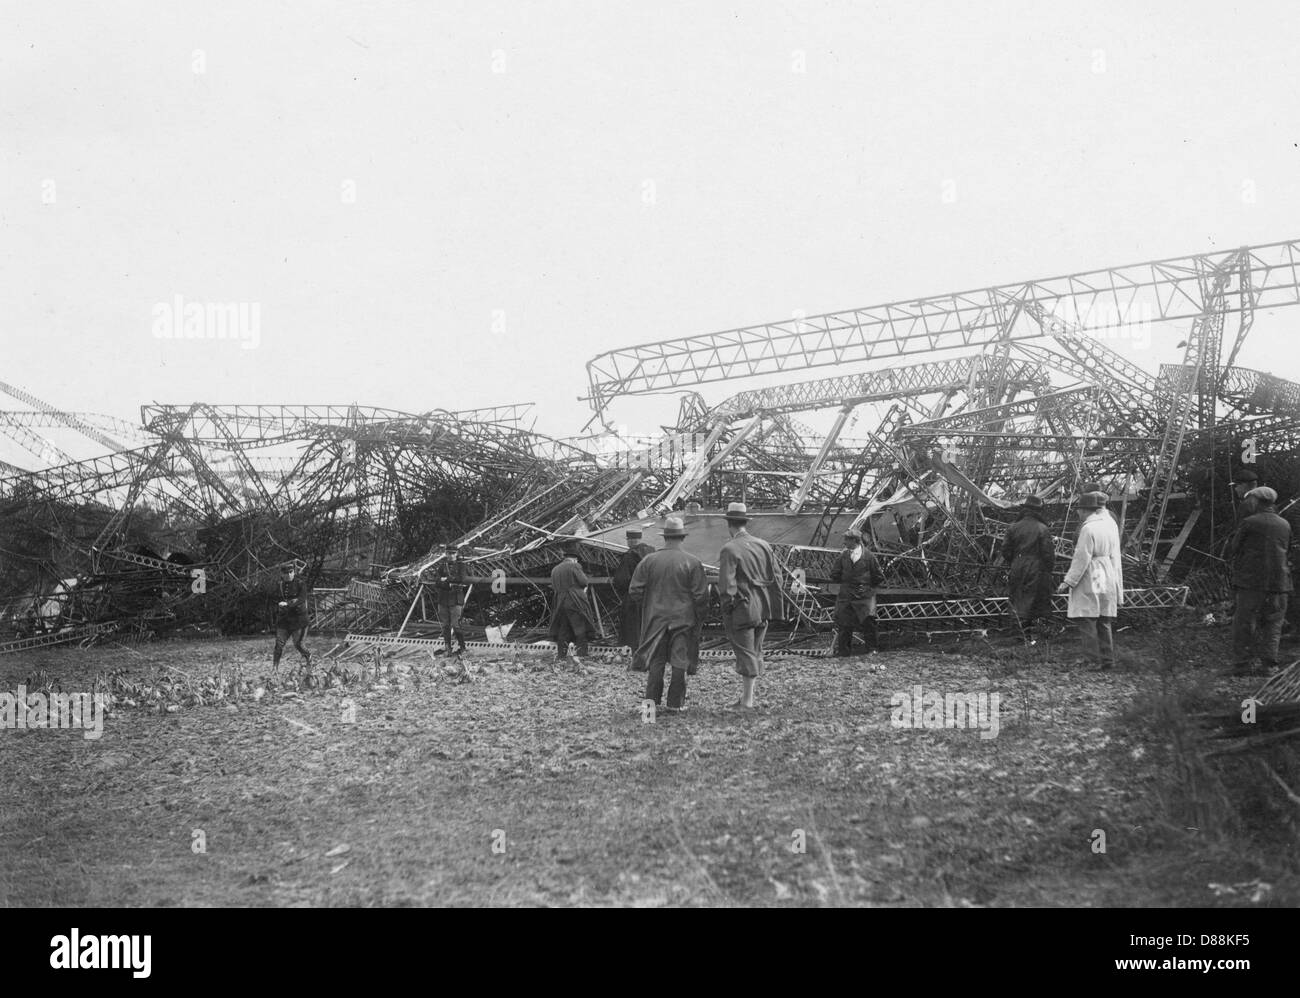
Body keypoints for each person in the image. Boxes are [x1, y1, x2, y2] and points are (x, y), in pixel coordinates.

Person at [627, 516, 708, 714]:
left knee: (656, 664)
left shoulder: (649, 561)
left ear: (664, 537)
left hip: (655, 620)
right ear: (682, 537)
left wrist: (649, 606)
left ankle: (650, 708)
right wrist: (698, 616)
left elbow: (635, 590)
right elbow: (701, 596)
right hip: (683, 620)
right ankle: (675, 705)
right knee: (680, 661)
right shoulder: (693, 562)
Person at [718, 502, 782, 709]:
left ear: (729, 525)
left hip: (743, 608)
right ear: (745, 522)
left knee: (746, 653)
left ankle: (747, 701)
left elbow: (727, 585)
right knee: (755, 651)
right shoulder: (764, 545)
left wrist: (727, 607)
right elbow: (778, 577)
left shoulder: (729, 548)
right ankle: (748, 697)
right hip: (763, 607)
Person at [1225, 486, 1293, 676]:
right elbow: (1288, 551)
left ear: (1256, 501)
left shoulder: (1249, 522)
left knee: (1244, 622)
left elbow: (1233, 549)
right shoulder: (1284, 524)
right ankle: (1269, 665)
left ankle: (1242, 664)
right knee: (1274, 623)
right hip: (1280, 583)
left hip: (1252, 583)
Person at [1058, 491, 1123, 671]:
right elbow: (1115, 554)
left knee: (1086, 617)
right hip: (1106, 571)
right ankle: (1107, 660)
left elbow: (1082, 557)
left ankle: (1092, 660)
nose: (1078, 513)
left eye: (1079, 510)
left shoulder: (1088, 528)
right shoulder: (1110, 525)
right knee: (1103, 616)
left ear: (1087, 510)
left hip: (1091, 571)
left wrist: (1068, 581)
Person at [1002, 495, 1055, 637]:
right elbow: (1048, 553)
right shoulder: (1042, 528)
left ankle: (1017, 631)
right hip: (1036, 566)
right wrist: (1048, 569)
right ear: (1038, 511)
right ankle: (1031, 632)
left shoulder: (1013, 527)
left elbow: (1005, 550)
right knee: (1034, 598)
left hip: (1017, 565)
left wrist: (1013, 562)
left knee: (1016, 597)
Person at [829, 528, 885, 656]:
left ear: (855, 540)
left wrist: (866, 586)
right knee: (844, 623)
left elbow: (878, 576)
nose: (844, 542)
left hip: (865, 595)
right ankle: (844, 652)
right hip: (846, 594)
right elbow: (834, 574)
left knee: (869, 622)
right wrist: (846, 583)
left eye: (846, 540)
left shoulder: (869, 556)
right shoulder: (843, 556)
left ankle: (872, 649)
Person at [549, 541, 597, 663]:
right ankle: (582, 654)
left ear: (565, 557)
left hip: (560, 601)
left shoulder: (555, 569)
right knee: (579, 626)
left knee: (563, 628)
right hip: (574, 600)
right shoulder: (575, 566)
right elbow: (584, 582)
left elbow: (554, 586)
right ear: (575, 559)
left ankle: (561, 655)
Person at [611, 527, 656, 651]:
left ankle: (636, 653)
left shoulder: (629, 556)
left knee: (633, 627)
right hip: (652, 596)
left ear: (630, 541)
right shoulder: (652, 552)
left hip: (633, 597)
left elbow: (621, 580)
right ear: (640, 539)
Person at [272, 562, 312, 672]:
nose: (289, 575)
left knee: (298, 644)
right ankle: (275, 668)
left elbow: (302, 598)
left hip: (299, 620)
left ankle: (308, 658)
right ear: (282, 574)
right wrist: (278, 605)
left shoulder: (300, 583)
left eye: (291, 572)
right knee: (279, 644)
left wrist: (289, 604)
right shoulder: (280, 585)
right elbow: (274, 599)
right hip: (284, 620)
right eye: (286, 573)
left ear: (294, 572)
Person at [433, 545, 469, 655]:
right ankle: (448, 648)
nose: (451, 555)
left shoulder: (461, 565)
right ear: (446, 554)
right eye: (449, 553)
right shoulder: (442, 566)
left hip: (456, 598)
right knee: (445, 625)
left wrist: (447, 579)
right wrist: (447, 582)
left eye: (453, 553)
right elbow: (437, 581)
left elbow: (462, 579)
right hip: (443, 599)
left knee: (455, 624)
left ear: (456, 554)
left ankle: (462, 648)